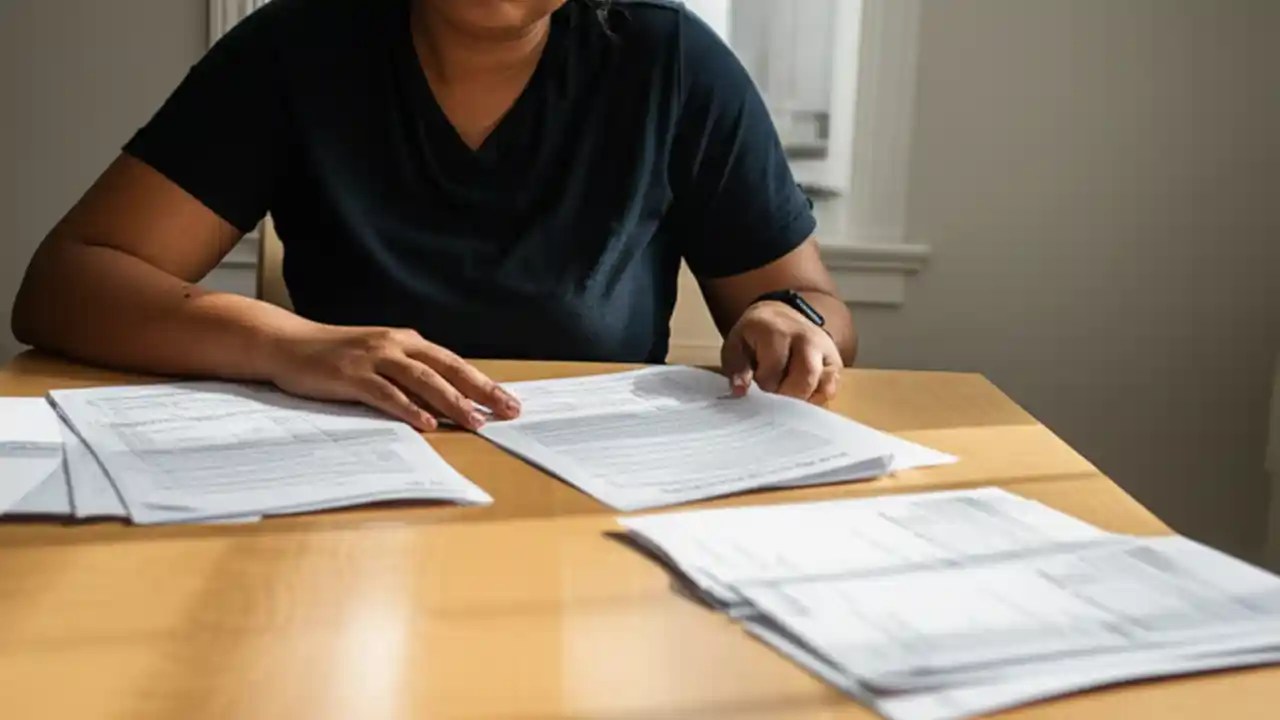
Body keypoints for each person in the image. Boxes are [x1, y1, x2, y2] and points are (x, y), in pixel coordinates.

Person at [11, 0, 856, 432]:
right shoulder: (294, 48)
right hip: (336, 486)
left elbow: (812, 304)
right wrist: (283, 343)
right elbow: (67, 283)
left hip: (594, 500)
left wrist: (791, 319)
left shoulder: (671, 60)